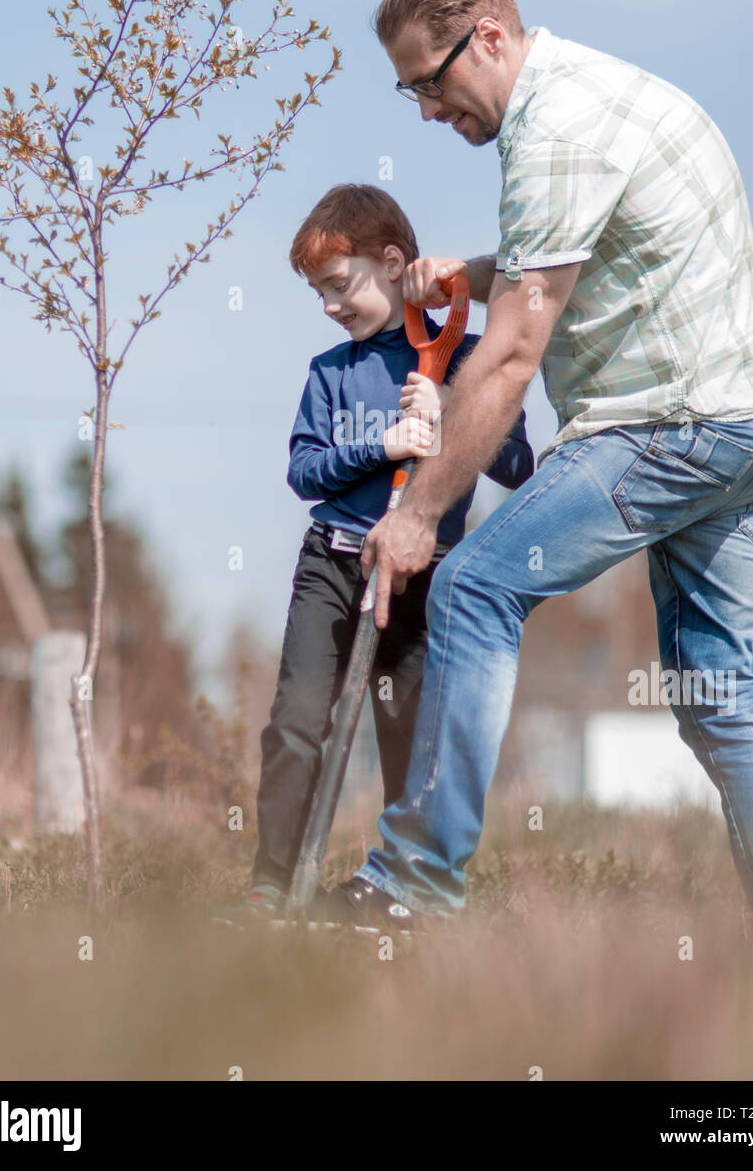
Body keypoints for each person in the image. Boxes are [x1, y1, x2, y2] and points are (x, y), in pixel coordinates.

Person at [317, 0, 753, 955]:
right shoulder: (599, 94)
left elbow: (513, 352)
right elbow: (588, 251)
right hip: (748, 425)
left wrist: (420, 511)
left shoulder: (551, 134)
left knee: (471, 587)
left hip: (666, 431)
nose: (425, 110)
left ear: (492, 40)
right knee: (716, 687)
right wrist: (473, 273)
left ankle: (415, 884)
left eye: (429, 82)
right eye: (409, 91)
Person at [222, 182, 533, 922]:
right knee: (298, 723)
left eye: (339, 285)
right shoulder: (330, 373)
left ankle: (399, 893)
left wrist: (452, 412)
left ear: (392, 265)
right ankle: (274, 887)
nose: (330, 304)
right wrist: (381, 444)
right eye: (318, 293)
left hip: (424, 581)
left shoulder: (462, 360)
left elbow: (516, 466)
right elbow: (303, 473)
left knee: (411, 736)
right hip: (331, 567)